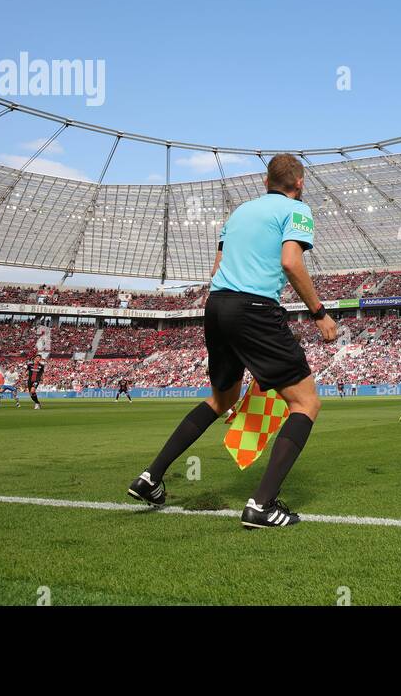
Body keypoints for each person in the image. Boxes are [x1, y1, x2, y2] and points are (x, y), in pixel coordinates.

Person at [126, 153, 336, 530]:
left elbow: (217, 268)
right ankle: (261, 505)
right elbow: (291, 262)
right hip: (254, 308)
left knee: (222, 399)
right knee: (306, 402)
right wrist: (319, 312)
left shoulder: (239, 213)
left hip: (216, 305)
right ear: (299, 183)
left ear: (265, 182)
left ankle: (150, 477)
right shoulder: (296, 210)